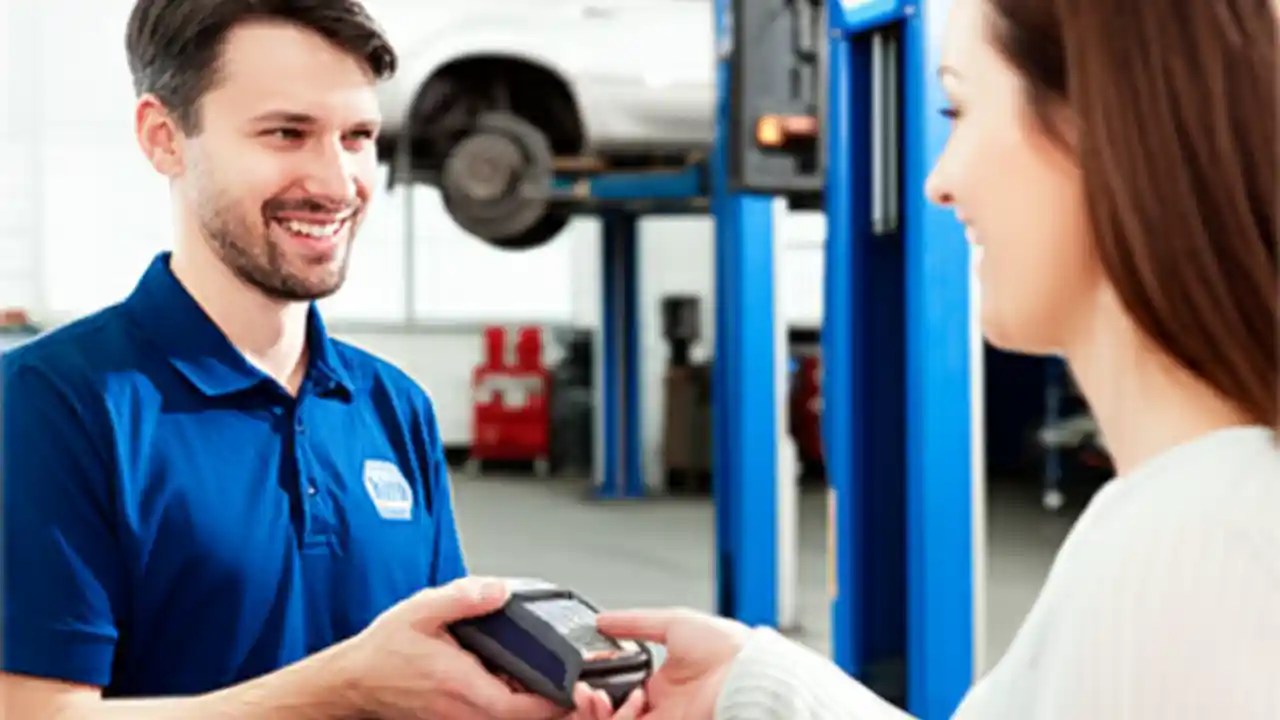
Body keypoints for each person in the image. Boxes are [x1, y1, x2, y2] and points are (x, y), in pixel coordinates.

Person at [571, 0, 1280, 718]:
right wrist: (762, 688)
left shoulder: (1201, 546)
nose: (937, 182)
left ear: (1104, 128)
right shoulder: (1185, 514)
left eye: (958, 110)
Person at [0, 2, 598, 718]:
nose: (336, 181)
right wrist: (343, 687)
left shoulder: (392, 406)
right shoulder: (54, 403)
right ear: (164, 139)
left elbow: (432, 675)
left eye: (357, 136)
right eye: (287, 133)